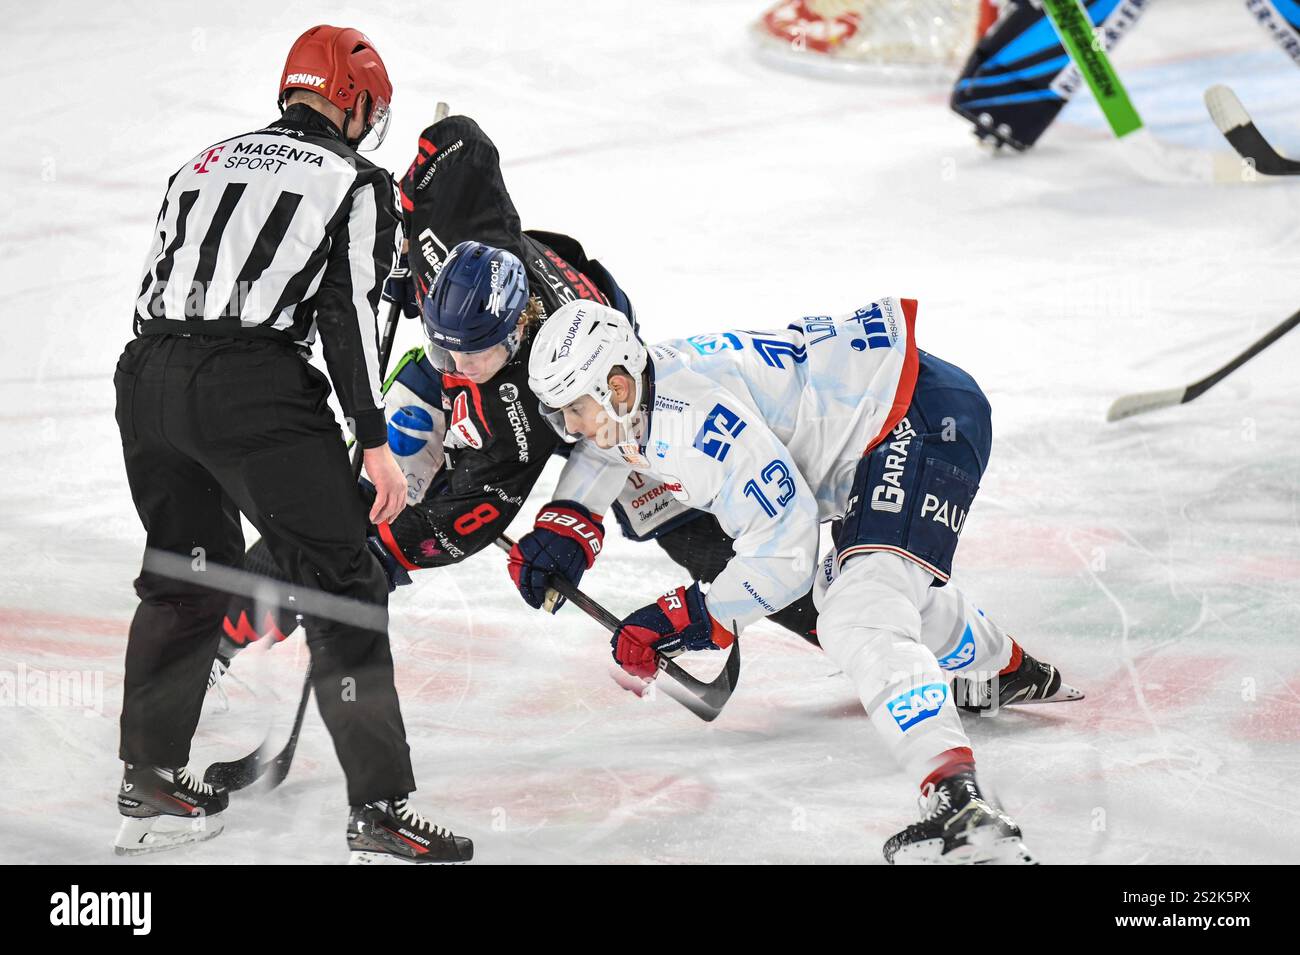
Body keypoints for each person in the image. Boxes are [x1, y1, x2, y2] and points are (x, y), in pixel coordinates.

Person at [211, 115, 817, 690]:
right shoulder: (459, 246)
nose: (457, 369)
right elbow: (459, 144)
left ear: (511, 334)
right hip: (537, 351)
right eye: (444, 349)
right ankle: (218, 641)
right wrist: (400, 227)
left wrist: (383, 558)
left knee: (667, 505)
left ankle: (830, 617)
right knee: (352, 507)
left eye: (469, 358)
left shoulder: (517, 416)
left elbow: (472, 513)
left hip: (604, 388)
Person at [508, 297, 1083, 864]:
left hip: (917, 418)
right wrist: (569, 522)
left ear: (617, 385)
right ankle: (1005, 671)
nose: (572, 428)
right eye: (561, 415)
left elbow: (785, 553)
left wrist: (694, 615)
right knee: (856, 591)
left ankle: (963, 809)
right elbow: (614, 448)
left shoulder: (698, 426)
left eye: (575, 409)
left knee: (859, 614)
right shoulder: (645, 386)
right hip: (898, 405)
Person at [113, 23, 470, 864]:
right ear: (351, 103)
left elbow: (167, 282)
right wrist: (372, 438)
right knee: (345, 581)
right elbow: (344, 313)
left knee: (186, 573)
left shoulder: (202, 161)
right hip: (254, 393)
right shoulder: (355, 180)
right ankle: (380, 810)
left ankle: (153, 776)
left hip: (147, 378)